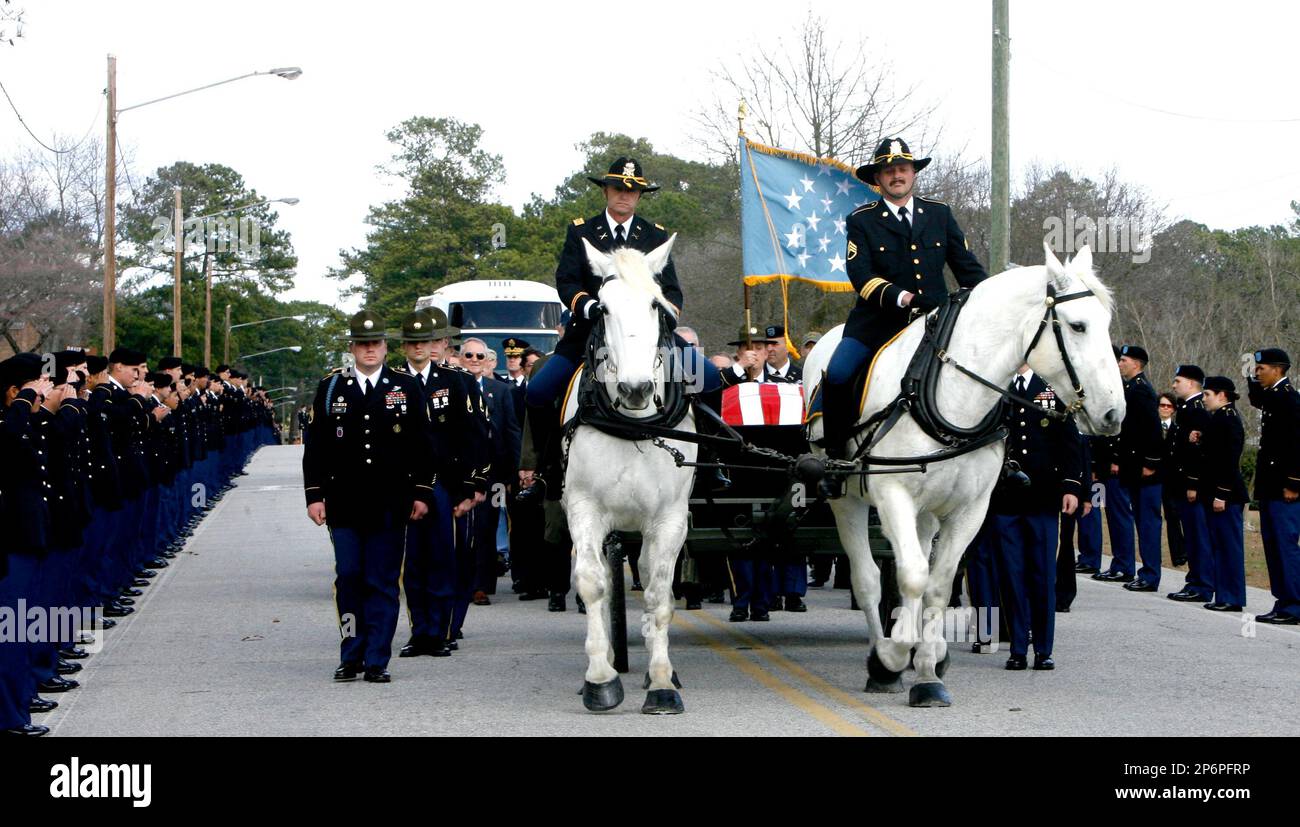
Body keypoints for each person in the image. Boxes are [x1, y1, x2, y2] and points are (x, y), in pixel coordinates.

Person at [820, 137, 988, 480]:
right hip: (877, 322)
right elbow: (861, 277)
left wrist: (988, 299)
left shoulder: (940, 214)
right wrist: (905, 298)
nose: (897, 175)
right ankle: (835, 457)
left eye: (903, 169)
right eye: (889, 170)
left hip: (936, 324)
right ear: (878, 179)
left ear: (913, 173)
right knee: (837, 374)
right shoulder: (861, 220)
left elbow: (966, 267)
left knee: (991, 371)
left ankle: (1001, 456)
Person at [303, 309, 436, 683]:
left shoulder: (404, 387)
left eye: (375, 343)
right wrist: (314, 495)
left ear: (385, 346)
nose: (370, 350)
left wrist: (422, 491)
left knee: (381, 580)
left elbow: (423, 446)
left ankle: (377, 657)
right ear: (352, 348)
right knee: (348, 577)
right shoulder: (332, 388)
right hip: (343, 502)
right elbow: (315, 447)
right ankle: (351, 653)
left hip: (390, 503)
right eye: (363, 344)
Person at [392, 309, 488, 658]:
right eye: (414, 343)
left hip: (446, 484)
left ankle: (442, 630)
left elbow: (475, 436)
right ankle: (420, 631)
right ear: (404, 347)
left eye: (428, 341)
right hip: (405, 486)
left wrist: (474, 487)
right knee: (413, 563)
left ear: (437, 343)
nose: (421, 348)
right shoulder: (393, 381)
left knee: (444, 560)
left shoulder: (455, 380)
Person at [987, 365, 1084, 670]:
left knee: (1042, 574)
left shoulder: (1049, 388)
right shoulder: (995, 384)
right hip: (1005, 498)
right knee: (1011, 575)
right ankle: (1017, 648)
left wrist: (1071, 485)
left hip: (1043, 495)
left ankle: (1043, 648)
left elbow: (1069, 439)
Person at [1093, 345, 1164, 590]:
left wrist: (1150, 463)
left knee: (1146, 523)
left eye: (1123, 360)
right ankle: (1132, 568)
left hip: (1142, 469)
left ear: (1136, 363)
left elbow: (1152, 429)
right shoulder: (1129, 388)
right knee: (1137, 520)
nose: (1119, 364)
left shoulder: (1141, 390)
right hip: (1130, 466)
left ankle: (1149, 574)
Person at [460, 337, 520, 606]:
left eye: (479, 356)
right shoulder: (451, 387)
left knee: (486, 527)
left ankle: (482, 585)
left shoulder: (500, 389)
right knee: (461, 529)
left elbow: (511, 432)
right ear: (461, 358)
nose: (474, 360)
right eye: (469, 355)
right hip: (459, 473)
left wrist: (517, 472)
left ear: (487, 361)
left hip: (494, 475)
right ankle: (460, 580)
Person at [1246, 348, 1300, 624]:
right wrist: (1249, 377)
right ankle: (1283, 601)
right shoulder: (1274, 397)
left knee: (1285, 544)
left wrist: (1294, 482)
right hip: (1270, 487)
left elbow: (1297, 445)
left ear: (1277, 369)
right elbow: (1256, 398)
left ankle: (1294, 604)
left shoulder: (1290, 399)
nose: (1257, 373)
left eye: (1261, 369)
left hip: (1285, 489)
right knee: (1272, 544)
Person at [1197, 376, 1248, 612]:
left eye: (1207, 394)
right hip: (1213, 493)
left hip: (1226, 495)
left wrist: (1222, 494)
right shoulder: (1216, 419)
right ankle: (1223, 594)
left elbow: (1229, 460)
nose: (1204, 399)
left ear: (1222, 395)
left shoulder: (1229, 420)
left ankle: (1232, 597)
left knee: (1229, 547)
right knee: (1219, 545)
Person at [1167, 367, 1215, 602]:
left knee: (1198, 535)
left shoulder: (1197, 411)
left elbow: (1199, 453)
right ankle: (1194, 580)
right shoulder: (1187, 410)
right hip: (1181, 482)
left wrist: (1193, 484)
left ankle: (1203, 584)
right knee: (1192, 535)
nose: (1174, 386)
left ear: (1192, 383)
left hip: (1192, 485)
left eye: (1178, 381)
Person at [1156, 392, 1187, 568]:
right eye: (1162, 405)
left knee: (1173, 515)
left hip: (1172, 479)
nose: (1165, 409)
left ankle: (1179, 553)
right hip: (1153, 476)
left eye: (1169, 406)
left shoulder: (1177, 430)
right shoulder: (1152, 427)